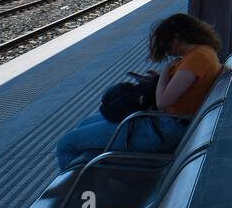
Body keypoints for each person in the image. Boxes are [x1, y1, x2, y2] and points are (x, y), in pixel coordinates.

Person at [54, 13, 223, 171]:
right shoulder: (203, 52)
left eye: (167, 45)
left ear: (177, 37)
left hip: (162, 130)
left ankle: (78, 194)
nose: (168, 52)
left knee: (66, 144)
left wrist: (164, 73)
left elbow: (163, 101)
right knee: (84, 125)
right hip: (164, 123)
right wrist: (158, 80)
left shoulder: (197, 58)